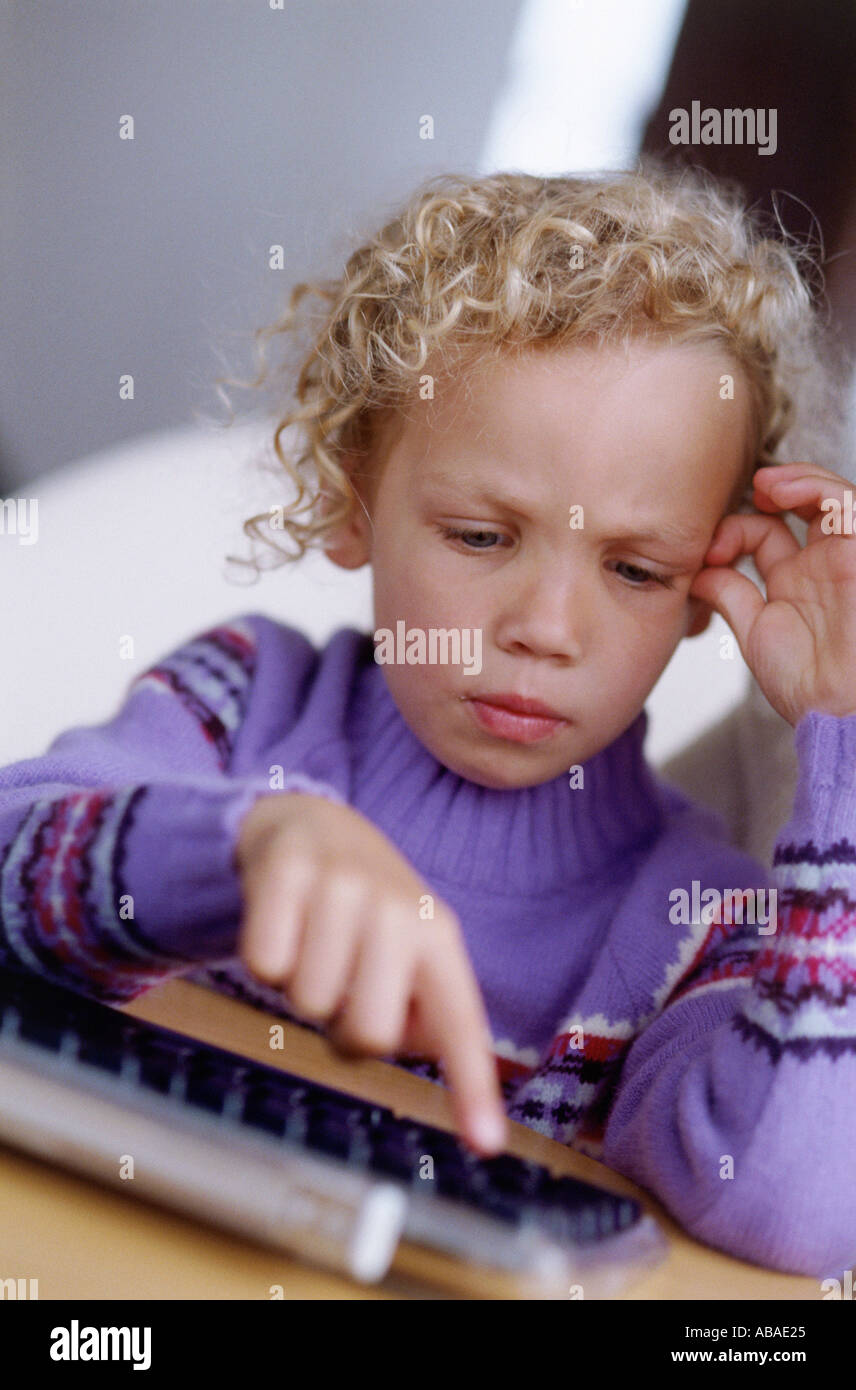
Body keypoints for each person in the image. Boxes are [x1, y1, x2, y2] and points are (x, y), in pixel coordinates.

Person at [2, 161, 855, 1277]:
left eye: (637, 568)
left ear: (707, 588)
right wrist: (242, 848)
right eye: (480, 536)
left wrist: (841, 736)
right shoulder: (240, 706)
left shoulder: (690, 929)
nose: (546, 627)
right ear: (356, 500)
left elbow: (798, 1206)